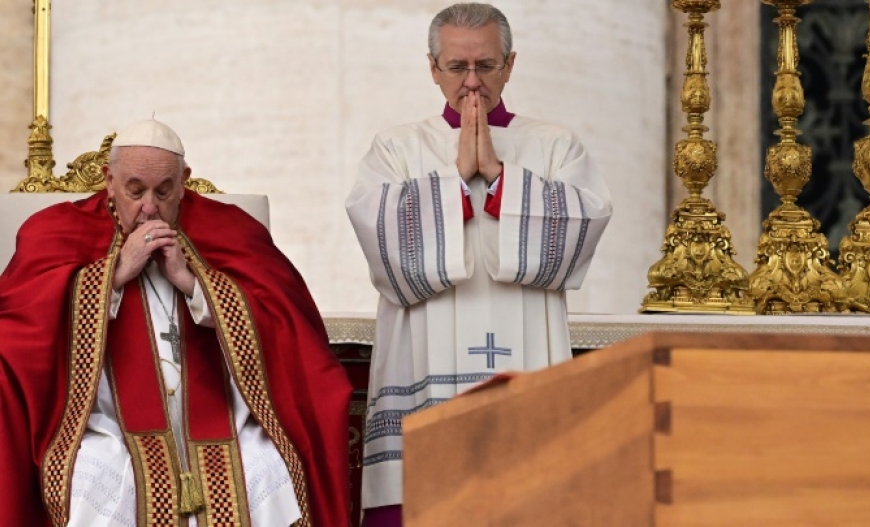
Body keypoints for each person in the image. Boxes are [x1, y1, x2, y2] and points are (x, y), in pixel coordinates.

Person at [0, 119, 352, 526]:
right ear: (108, 179)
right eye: (135, 190)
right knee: (91, 481)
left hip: (226, 422)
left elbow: (288, 324)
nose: (149, 207)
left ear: (184, 181)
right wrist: (110, 277)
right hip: (105, 427)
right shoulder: (56, 231)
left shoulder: (231, 229)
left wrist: (195, 285)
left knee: (265, 470)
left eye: (164, 191)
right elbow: (18, 329)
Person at [345, 3, 612, 525]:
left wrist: (498, 175)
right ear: (432, 68)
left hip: (525, 368)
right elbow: (382, 244)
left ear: (510, 65)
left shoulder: (556, 145)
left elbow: (583, 228)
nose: (471, 83)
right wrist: (458, 180)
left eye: (486, 66)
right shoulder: (396, 148)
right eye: (457, 67)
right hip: (422, 372)